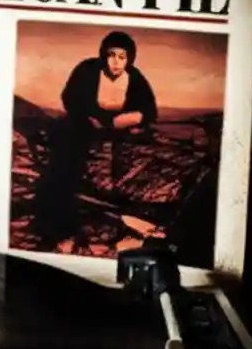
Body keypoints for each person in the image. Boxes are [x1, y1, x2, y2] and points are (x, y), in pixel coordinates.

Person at [30, 30, 158, 251]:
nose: (116, 62)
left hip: (117, 130)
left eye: (122, 56)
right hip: (82, 125)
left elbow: (149, 110)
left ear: (129, 59)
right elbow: (69, 98)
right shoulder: (88, 70)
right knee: (65, 167)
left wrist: (128, 119)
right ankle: (57, 225)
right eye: (111, 55)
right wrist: (94, 119)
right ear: (103, 55)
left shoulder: (134, 78)